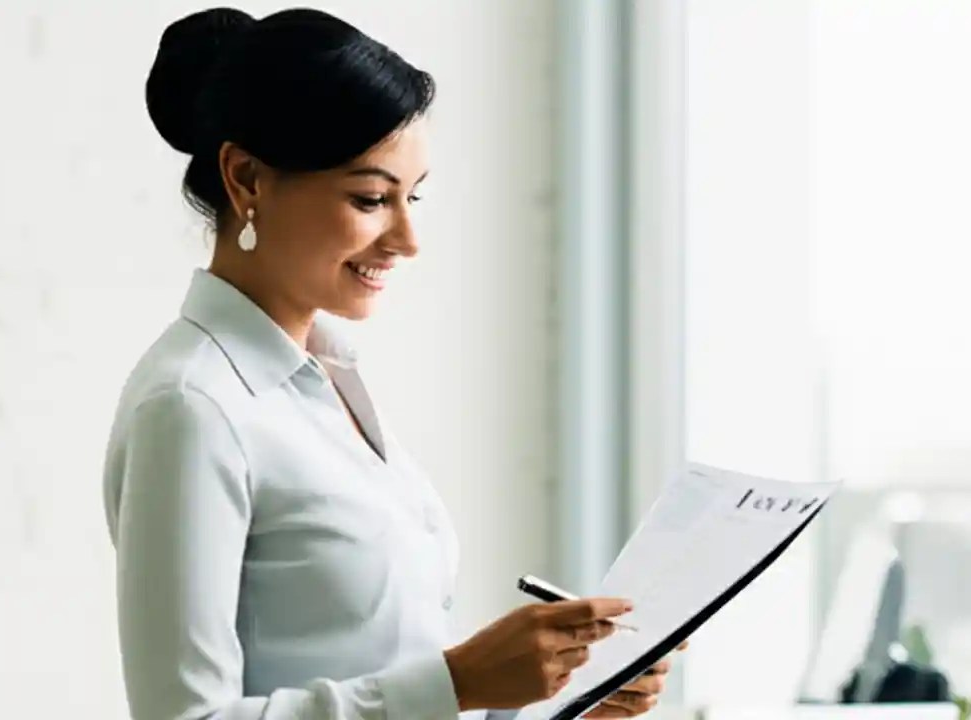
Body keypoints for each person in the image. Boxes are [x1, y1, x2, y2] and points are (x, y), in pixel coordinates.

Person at [102, 7, 678, 719]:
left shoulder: (329, 381)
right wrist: (458, 682)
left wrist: (563, 698)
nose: (406, 238)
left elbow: (379, 673)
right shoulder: (193, 407)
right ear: (247, 179)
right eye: (372, 198)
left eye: (414, 196)